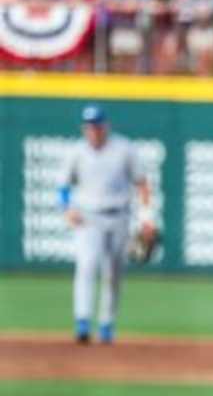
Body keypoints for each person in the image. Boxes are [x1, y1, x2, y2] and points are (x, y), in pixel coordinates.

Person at [59, 105, 155, 346]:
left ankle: (106, 325)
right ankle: (82, 322)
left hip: (119, 216)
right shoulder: (77, 152)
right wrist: (67, 209)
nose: (93, 130)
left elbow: (142, 184)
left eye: (97, 125)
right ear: (84, 128)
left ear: (106, 126)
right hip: (88, 217)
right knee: (86, 266)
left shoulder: (124, 149)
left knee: (113, 273)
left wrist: (146, 218)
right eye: (89, 126)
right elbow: (62, 187)